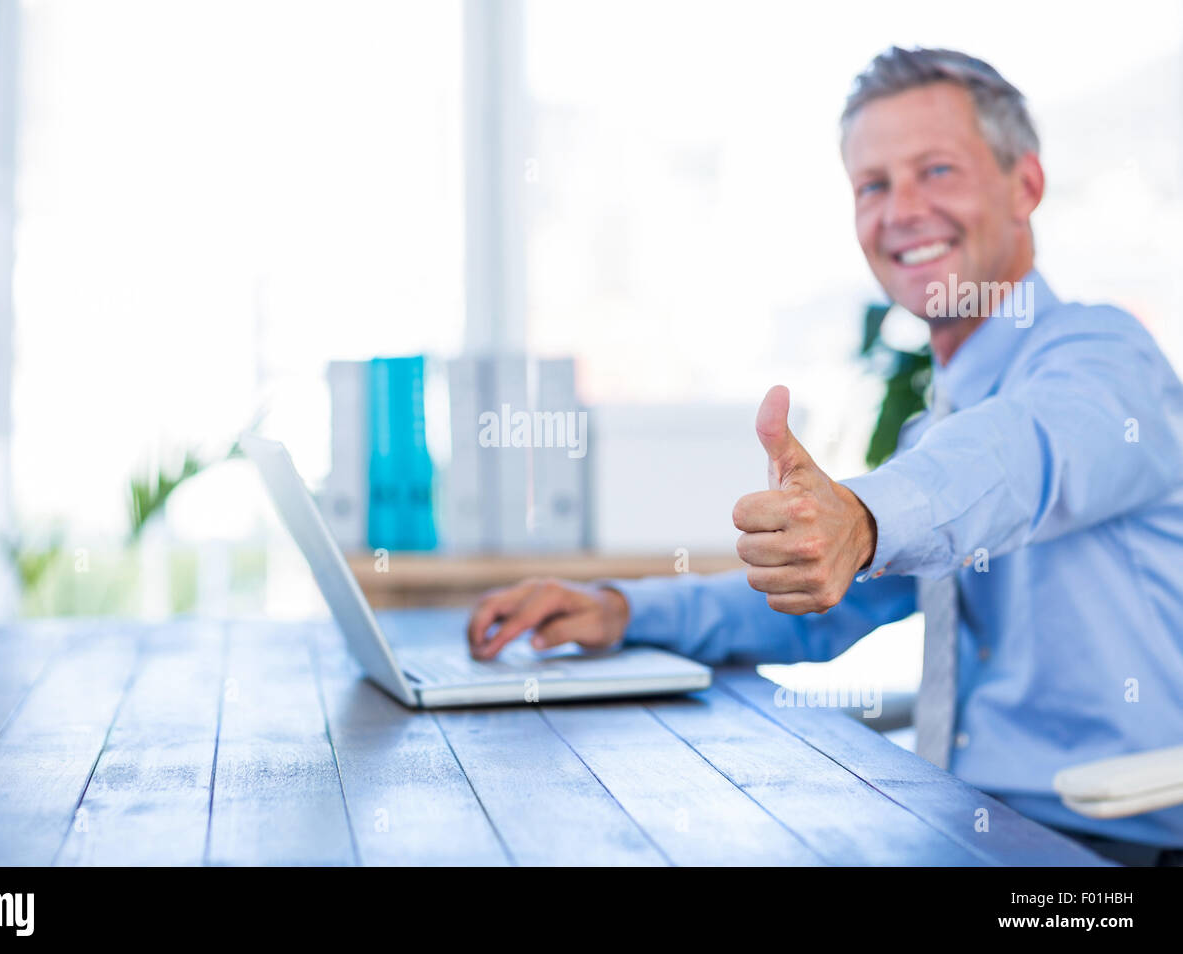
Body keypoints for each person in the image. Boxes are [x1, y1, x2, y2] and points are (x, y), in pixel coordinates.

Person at [466, 47, 1183, 865]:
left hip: (1109, 857)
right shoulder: (938, 435)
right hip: (968, 825)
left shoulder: (1106, 360)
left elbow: (1022, 460)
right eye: (873, 186)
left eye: (937, 170)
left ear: (1025, 187)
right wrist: (619, 612)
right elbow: (831, 612)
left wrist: (867, 518)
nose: (902, 210)